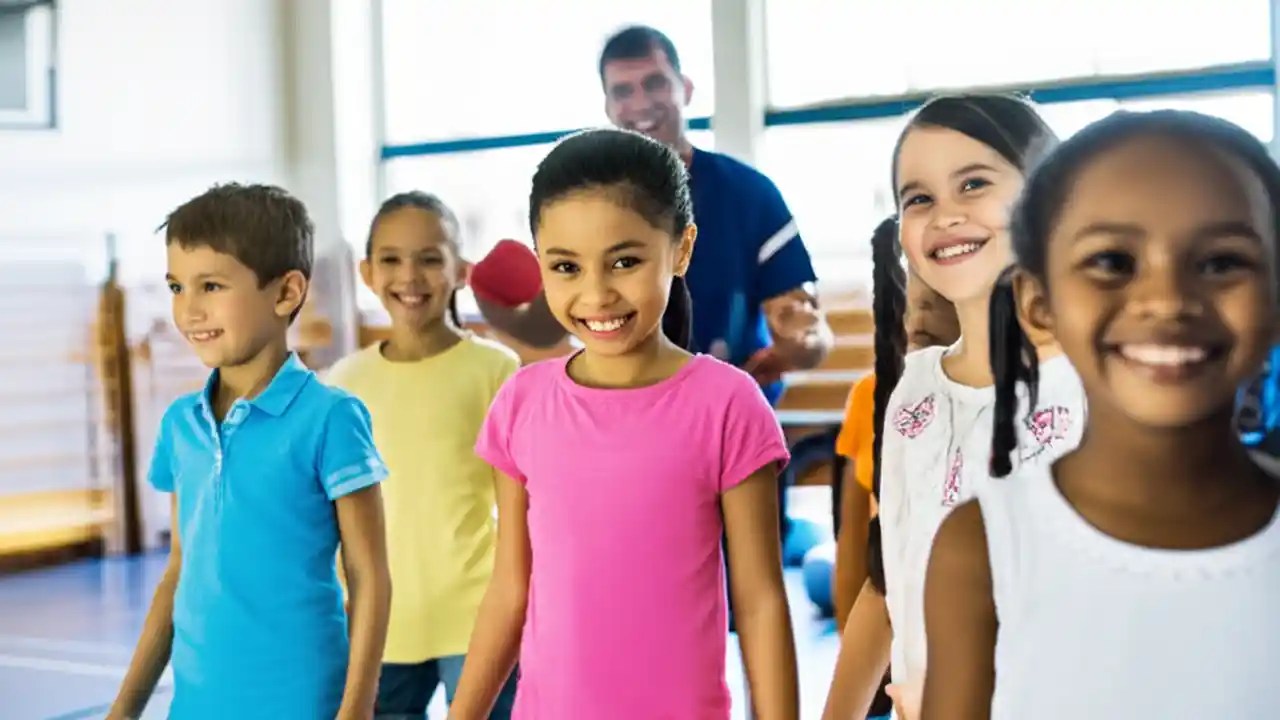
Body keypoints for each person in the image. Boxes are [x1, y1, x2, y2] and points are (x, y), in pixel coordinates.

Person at [921, 110, 1280, 720]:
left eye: (1221, 262)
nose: (1167, 300)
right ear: (1039, 305)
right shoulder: (984, 545)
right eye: (1112, 262)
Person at [448, 128, 799, 719]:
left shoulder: (728, 404)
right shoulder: (522, 403)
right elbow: (511, 587)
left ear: (681, 249)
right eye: (566, 267)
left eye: (626, 261)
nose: (597, 294)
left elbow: (760, 599)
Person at [821, 95, 1086, 720]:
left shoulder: (1098, 390)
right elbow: (889, 581)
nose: (946, 215)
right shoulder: (914, 392)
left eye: (973, 183)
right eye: (919, 198)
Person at [106, 184, 392, 719]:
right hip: (197, 705)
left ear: (285, 293)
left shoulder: (331, 418)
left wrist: (356, 710)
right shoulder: (180, 425)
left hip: (303, 701)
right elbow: (179, 572)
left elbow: (369, 575)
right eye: (176, 286)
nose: (189, 309)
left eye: (211, 285)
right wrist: (125, 707)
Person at [476, 24, 833, 402]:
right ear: (608, 106)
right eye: (623, 91)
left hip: (729, 417)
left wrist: (802, 341)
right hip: (624, 410)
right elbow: (549, 327)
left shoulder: (750, 194)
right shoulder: (583, 204)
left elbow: (808, 330)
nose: (642, 103)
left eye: (655, 83)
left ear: (686, 89)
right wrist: (492, 303)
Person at [325, 192, 520, 719]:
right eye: (391, 259)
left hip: (479, 621)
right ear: (367, 272)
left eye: (430, 259)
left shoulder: (498, 372)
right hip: (378, 628)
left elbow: (528, 511)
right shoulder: (342, 385)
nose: (409, 276)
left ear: (461, 271)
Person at [833, 217, 959, 629]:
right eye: (911, 282)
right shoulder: (870, 397)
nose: (921, 304)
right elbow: (853, 550)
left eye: (939, 287)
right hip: (891, 641)